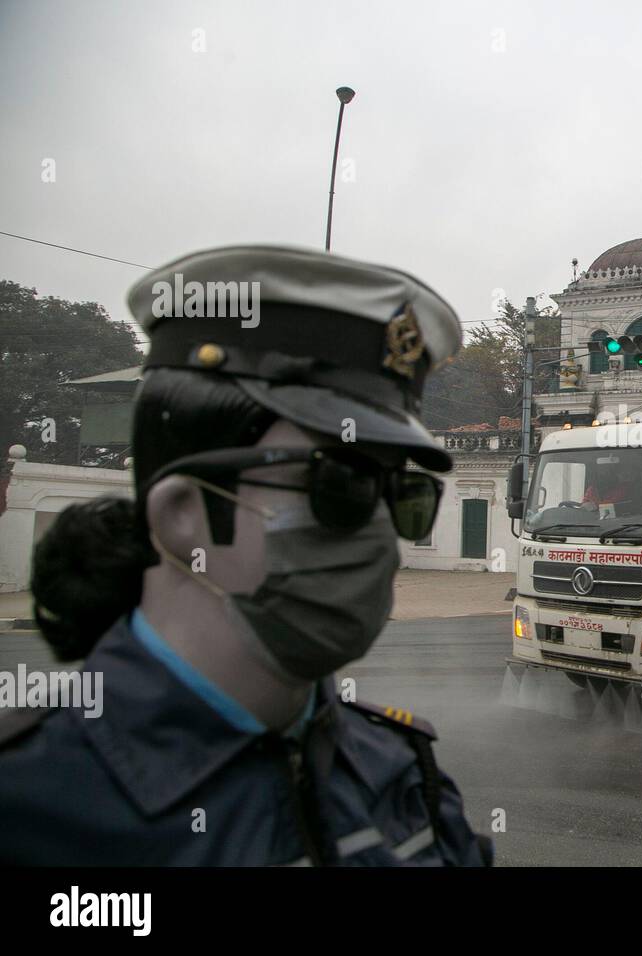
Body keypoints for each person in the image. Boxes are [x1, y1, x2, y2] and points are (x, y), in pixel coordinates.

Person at [0, 245, 492, 866]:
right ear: (184, 513)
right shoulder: (29, 808)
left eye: (401, 496)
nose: (378, 535)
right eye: (341, 486)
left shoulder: (401, 773)